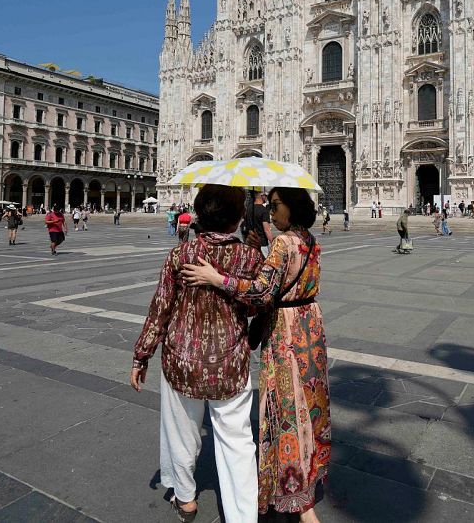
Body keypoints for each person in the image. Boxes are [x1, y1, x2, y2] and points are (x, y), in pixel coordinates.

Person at [182, 186, 331, 521]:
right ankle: (309, 478)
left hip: (286, 331)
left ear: (291, 207)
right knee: (310, 403)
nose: (270, 212)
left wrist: (216, 278)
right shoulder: (309, 240)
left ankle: (298, 499)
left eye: (275, 206)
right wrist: (255, 251)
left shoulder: (282, 242)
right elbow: (284, 278)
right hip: (311, 325)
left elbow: (263, 292)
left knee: (285, 406)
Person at [131, 185, 264, 523]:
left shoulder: (180, 255)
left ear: (200, 214)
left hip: (181, 359)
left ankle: (186, 498)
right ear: (237, 218)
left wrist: (141, 355)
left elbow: (160, 309)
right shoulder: (250, 257)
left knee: (181, 433)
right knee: (237, 441)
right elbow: (258, 304)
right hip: (230, 362)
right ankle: (243, 516)